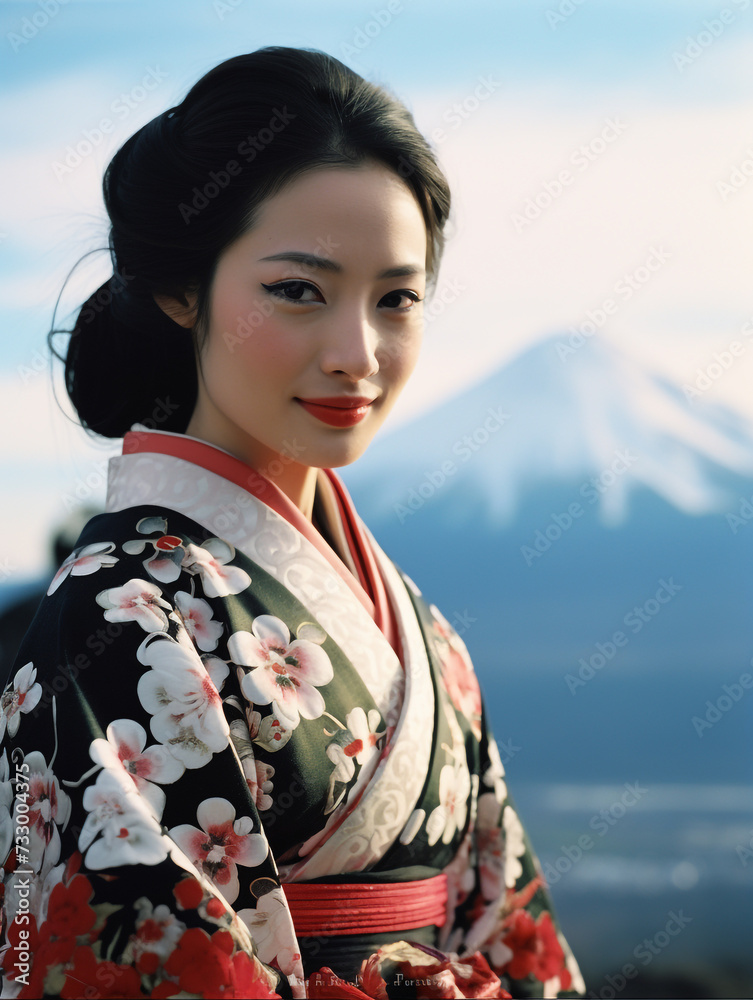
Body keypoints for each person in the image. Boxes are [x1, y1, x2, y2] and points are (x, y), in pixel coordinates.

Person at [0, 47, 585, 999]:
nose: (356, 354)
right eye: (297, 290)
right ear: (181, 289)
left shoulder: (420, 630)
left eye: (396, 299)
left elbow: (508, 929)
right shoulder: (117, 615)